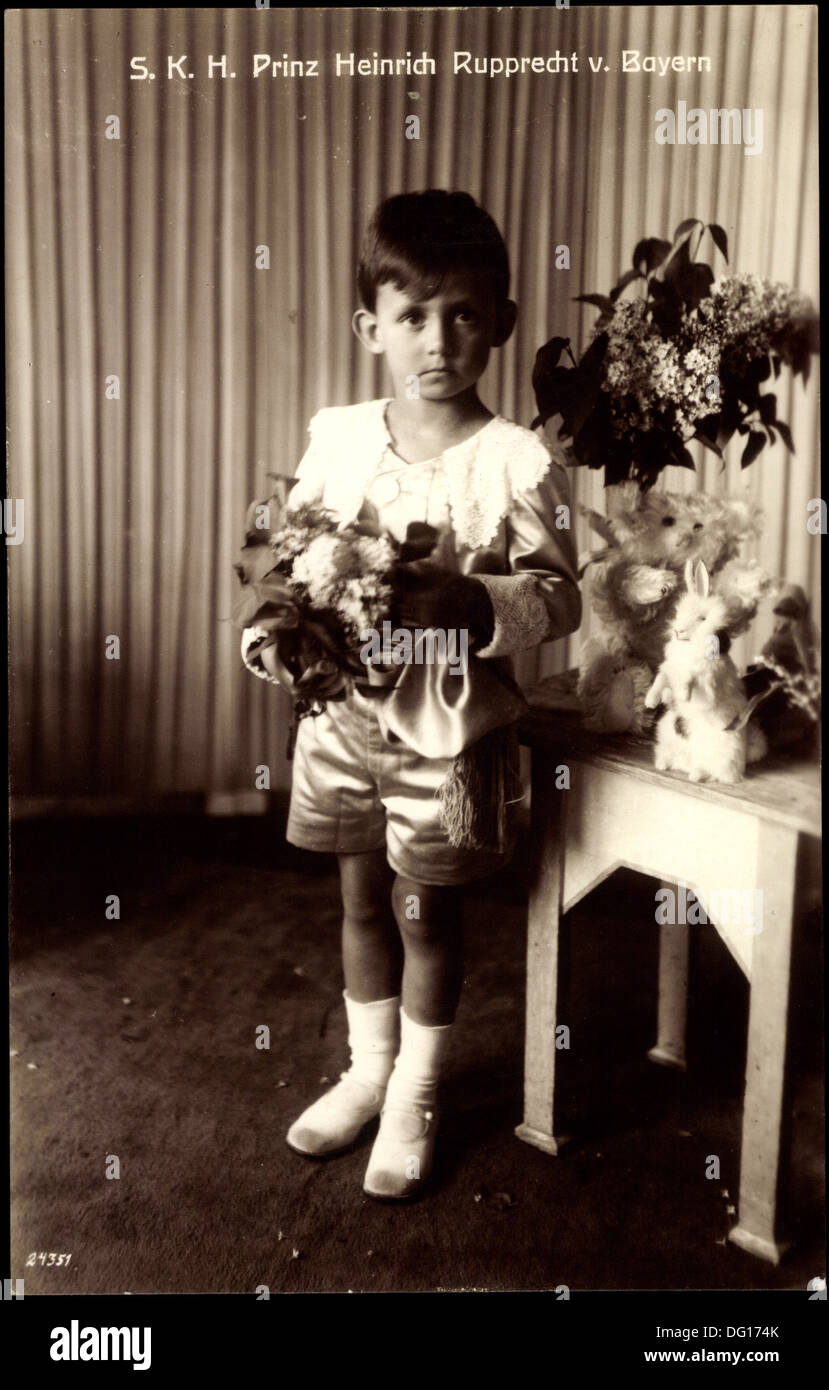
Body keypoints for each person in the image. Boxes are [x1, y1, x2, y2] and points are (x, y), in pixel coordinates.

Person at [240, 190, 581, 1201]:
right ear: (372, 327)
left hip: (447, 731)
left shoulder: (515, 460)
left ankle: (419, 1088)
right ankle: (369, 1065)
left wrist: (470, 594)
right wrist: (271, 628)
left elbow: (562, 600)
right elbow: (291, 557)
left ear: (502, 323)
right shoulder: (340, 438)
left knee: (425, 907)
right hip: (344, 717)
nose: (439, 340)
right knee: (355, 897)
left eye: (465, 313)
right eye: (413, 315)